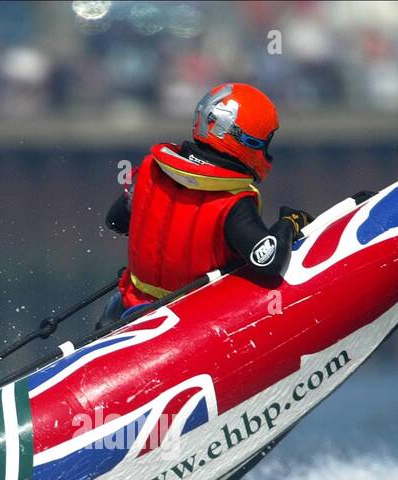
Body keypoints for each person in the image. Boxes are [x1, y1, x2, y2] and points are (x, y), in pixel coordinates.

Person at [101, 82, 315, 327]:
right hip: (189, 324)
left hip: (130, 308)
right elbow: (270, 262)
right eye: (263, 144)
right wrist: (289, 223)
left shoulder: (152, 169)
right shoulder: (233, 201)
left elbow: (116, 221)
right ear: (240, 139)